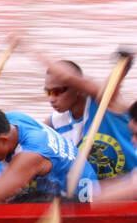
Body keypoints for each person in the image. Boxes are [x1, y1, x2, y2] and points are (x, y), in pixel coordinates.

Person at [33, 51, 135, 180]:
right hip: (98, 190)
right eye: (48, 92)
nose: (52, 99)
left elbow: (110, 85)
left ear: (78, 89)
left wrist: (123, 66)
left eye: (57, 91)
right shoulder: (55, 123)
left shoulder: (106, 103)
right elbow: (30, 142)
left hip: (131, 182)